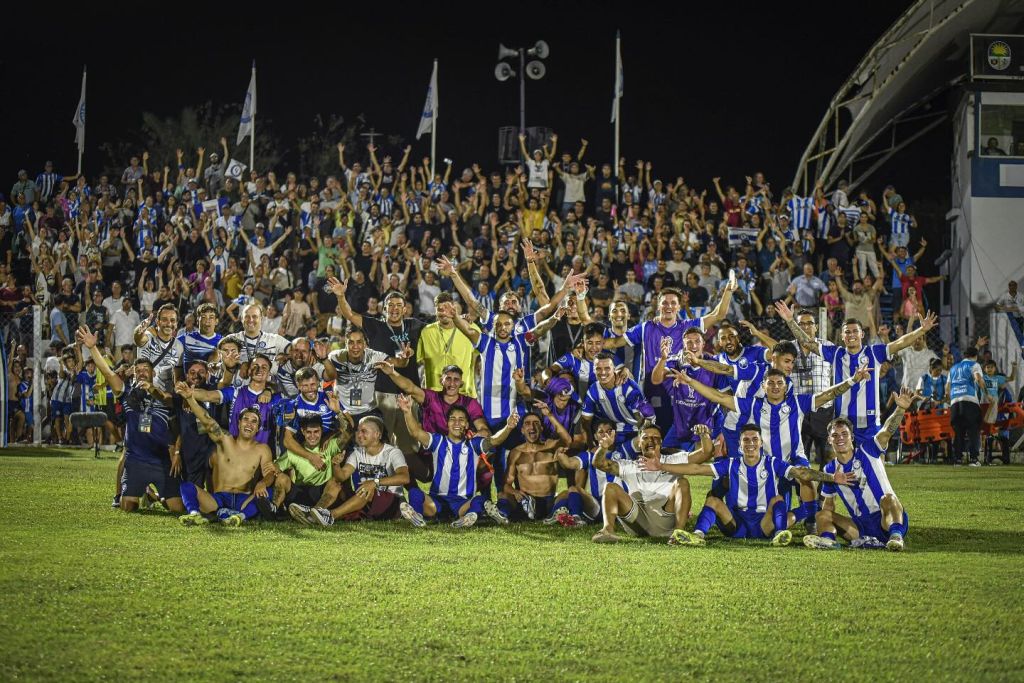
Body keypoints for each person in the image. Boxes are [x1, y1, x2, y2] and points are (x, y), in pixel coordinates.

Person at [664, 424, 854, 547]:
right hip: (736, 524)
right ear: (740, 445)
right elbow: (696, 469)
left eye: (755, 439)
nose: (751, 443)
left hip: (765, 523)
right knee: (712, 500)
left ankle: (780, 535)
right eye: (746, 440)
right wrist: (662, 465)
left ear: (761, 443)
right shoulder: (731, 464)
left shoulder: (773, 463)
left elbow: (803, 473)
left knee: (778, 499)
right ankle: (698, 535)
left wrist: (831, 477)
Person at [780, 301, 939, 442]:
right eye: (847, 332)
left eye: (855, 331)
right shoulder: (836, 354)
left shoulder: (874, 353)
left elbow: (900, 342)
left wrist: (922, 330)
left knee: (874, 462)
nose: (851, 335)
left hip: (869, 423)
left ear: (862, 334)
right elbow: (807, 343)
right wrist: (790, 321)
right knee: (842, 464)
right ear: (842, 336)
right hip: (843, 423)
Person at [76, 325, 184, 514]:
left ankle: (153, 496)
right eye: (138, 370)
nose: (142, 373)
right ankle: (138, 492)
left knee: (176, 508)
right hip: (136, 461)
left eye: (146, 370)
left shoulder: (163, 395)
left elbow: (168, 400)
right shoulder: (126, 393)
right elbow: (108, 372)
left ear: (153, 374)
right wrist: (92, 348)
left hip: (161, 460)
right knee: (128, 507)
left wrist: (151, 389)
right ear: (133, 374)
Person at [603, 284, 736, 428]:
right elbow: (614, 342)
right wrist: (591, 343)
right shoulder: (646, 327)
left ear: (679, 307)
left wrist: (728, 290)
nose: (669, 306)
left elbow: (719, 314)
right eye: (665, 303)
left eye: (673, 303)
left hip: (683, 398)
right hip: (654, 394)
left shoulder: (688, 326)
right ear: (658, 306)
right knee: (656, 435)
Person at [803, 388, 916, 551]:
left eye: (844, 434)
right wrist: (824, 523)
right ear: (829, 440)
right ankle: (828, 542)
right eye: (835, 435)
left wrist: (900, 409)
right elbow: (829, 506)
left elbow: (886, 432)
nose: (840, 438)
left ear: (852, 437)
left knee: (889, 498)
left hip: (887, 519)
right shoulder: (830, 469)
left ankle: (896, 537)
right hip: (860, 528)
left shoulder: (868, 449)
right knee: (822, 514)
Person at [329, 278, 425, 453]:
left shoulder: (415, 325)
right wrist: (341, 296)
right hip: (381, 395)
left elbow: (439, 327)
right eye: (390, 305)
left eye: (399, 305)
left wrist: (459, 318)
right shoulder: (375, 326)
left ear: (405, 309)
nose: (394, 308)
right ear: (384, 308)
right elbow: (350, 314)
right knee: (379, 444)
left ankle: (406, 471)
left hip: (408, 394)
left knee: (409, 447)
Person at [398, 395, 518, 529]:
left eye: (461, 420)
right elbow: (416, 432)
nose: (456, 423)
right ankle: (417, 517)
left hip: (462, 503)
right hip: (436, 501)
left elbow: (494, 440)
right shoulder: (437, 441)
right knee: (414, 493)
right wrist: (407, 412)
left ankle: (468, 517)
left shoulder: (474, 445)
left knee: (480, 500)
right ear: (447, 423)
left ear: (467, 424)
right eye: (452, 419)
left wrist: (508, 427)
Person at [589, 423, 712, 544]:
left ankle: (679, 533)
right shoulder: (630, 466)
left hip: (665, 517)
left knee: (682, 483)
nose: (650, 440)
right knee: (610, 487)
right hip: (637, 520)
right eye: (646, 437)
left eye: (655, 437)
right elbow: (599, 464)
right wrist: (603, 448)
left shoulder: (674, 460)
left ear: (661, 442)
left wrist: (704, 436)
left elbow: (705, 454)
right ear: (639, 443)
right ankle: (607, 530)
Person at [174, 383, 276, 526]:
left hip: (243, 501)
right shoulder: (225, 440)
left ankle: (239, 517)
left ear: (258, 428)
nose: (249, 424)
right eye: (246, 419)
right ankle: (194, 514)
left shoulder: (263, 449)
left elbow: (270, 473)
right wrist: (190, 399)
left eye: (254, 422)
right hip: (218, 500)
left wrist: (263, 483)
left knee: (268, 492)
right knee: (186, 486)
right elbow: (207, 422)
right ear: (239, 423)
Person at [373, 361, 488, 483]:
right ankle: (412, 492)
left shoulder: (470, 403)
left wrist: (478, 434)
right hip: (431, 455)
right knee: (399, 457)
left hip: (459, 455)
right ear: (441, 381)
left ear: (461, 383)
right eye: (448, 379)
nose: (452, 383)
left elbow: (484, 429)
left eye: (456, 380)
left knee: (485, 468)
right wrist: (392, 373)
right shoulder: (431, 398)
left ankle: (481, 493)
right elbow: (410, 388)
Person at [288, 414, 410, 526]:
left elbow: (404, 477)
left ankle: (331, 515)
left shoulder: (393, 452)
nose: (359, 435)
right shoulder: (357, 453)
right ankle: (315, 513)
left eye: (364, 431)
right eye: (358, 431)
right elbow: (342, 476)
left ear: (377, 434)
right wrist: (336, 465)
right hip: (365, 500)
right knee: (335, 482)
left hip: (391, 502)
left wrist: (374, 482)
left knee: (366, 490)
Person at [483, 412, 565, 524]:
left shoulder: (551, 447)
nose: (532, 427)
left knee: (567, 494)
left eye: (536, 423)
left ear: (541, 428)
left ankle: (553, 517)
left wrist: (550, 415)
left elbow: (567, 440)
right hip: (525, 502)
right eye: (527, 423)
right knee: (502, 495)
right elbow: (506, 485)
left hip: (548, 502)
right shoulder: (515, 453)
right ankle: (502, 515)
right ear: (522, 430)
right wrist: (515, 492)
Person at [323, 326, 412, 417]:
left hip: (369, 412)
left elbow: (399, 363)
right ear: (345, 343)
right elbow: (327, 377)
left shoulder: (374, 356)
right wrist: (323, 359)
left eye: (359, 342)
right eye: (351, 342)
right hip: (341, 411)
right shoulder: (335, 357)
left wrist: (405, 358)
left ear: (365, 343)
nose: (355, 346)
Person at [580, 352, 655, 445]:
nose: (603, 372)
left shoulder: (628, 387)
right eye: (598, 369)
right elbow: (585, 421)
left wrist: (642, 440)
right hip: (615, 431)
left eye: (607, 368)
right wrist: (591, 446)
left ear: (614, 368)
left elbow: (641, 418)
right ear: (594, 370)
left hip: (636, 430)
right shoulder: (593, 390)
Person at [416, 292, 480, 397]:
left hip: (463, 394)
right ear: (435, 311)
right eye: (440, 309)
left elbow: (483, 353)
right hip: (435, 395)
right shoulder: (427, 332)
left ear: (454, 307)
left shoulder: (469, 328)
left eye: (447, 308)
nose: (444, 312)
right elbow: (416, 359)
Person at [133, 303, 185, 393]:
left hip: (162, 395)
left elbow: (177, 374)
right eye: (164, 320)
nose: (169, 323)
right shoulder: (148, 337)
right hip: (142, 392)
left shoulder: (179, 346)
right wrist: (139, 330)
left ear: (176, 324)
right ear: (157, 322)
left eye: (172, 320)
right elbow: (138, 339)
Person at [947, 346, 985, 466]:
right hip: (970, 400)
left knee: (958, 432)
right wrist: (986, 392)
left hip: (955, 402)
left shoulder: (953, 368)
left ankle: (957, 459)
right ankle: (974, 459)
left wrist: (951, 400)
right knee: (973, 430)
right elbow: (978, 378)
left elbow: (947, 388)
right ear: (975, 356)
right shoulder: (974, 364)